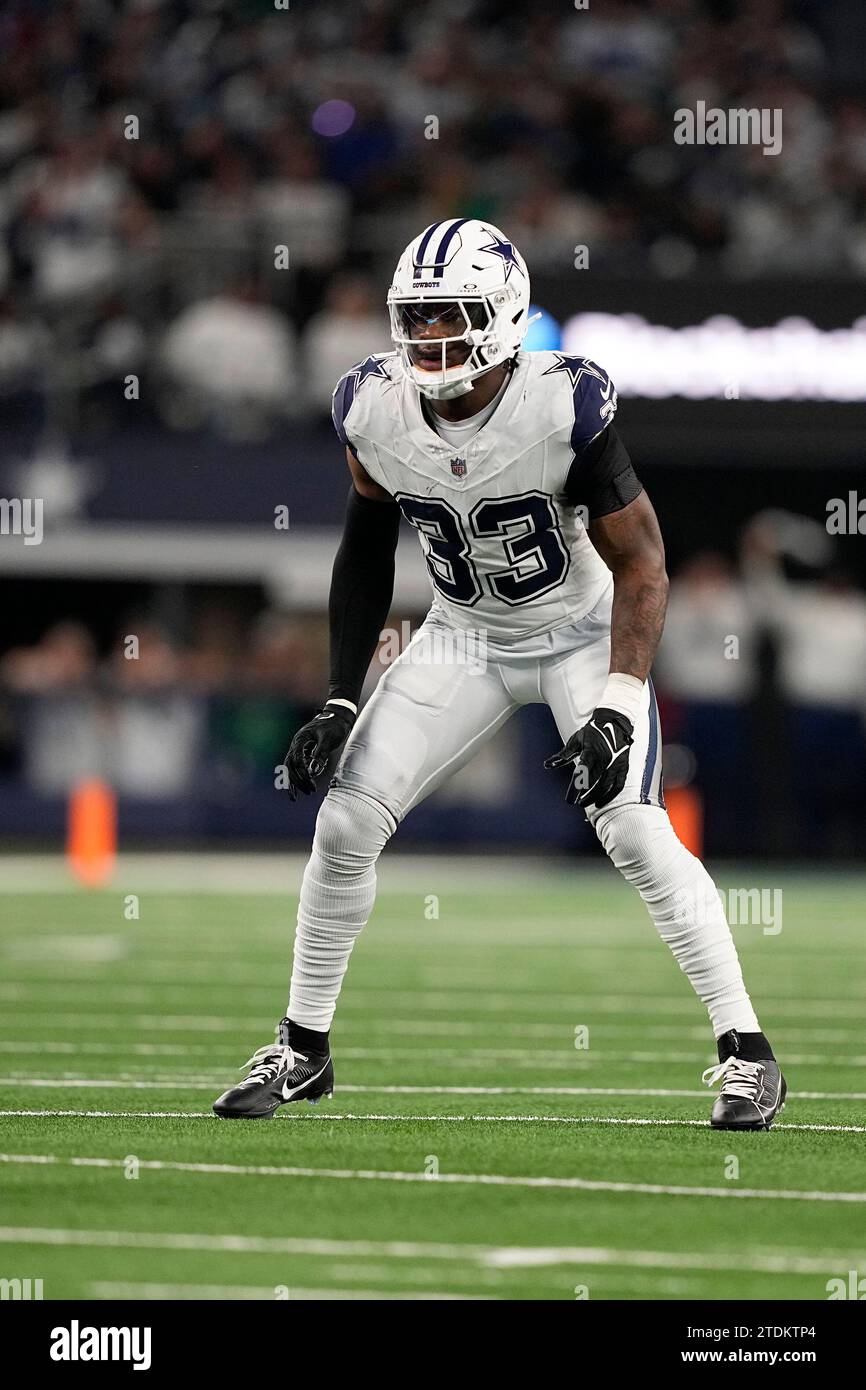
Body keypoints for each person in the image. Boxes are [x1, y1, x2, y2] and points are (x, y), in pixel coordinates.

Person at [213, 220, 785, 1130]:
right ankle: (304, 1047)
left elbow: (644, 567)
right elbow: (362, 556)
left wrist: (618, 703)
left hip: (580, 630)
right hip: (464, 633)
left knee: (635, 833)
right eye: (418, 317)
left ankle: (747, 1053)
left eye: (451, 315)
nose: (429, 337)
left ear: (505, 316)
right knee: (347, 820)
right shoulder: (372, 405)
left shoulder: (564, 404)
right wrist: (337, 695)